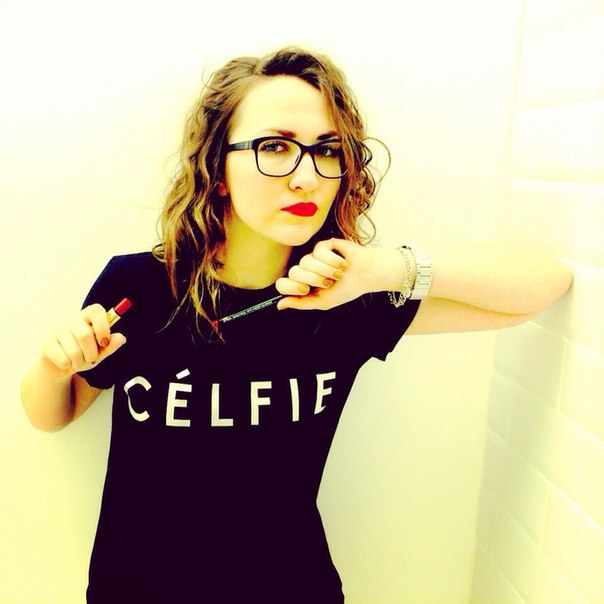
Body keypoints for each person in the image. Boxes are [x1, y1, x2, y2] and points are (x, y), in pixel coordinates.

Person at [20, 47, 572, 603]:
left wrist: (384, 268)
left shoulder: (346, 296)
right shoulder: (141, 286)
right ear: (216, 169)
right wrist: (53, 365)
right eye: (275, 147)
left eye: (328, 150)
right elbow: (53, 413)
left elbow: (541, 285)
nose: (307, 177)